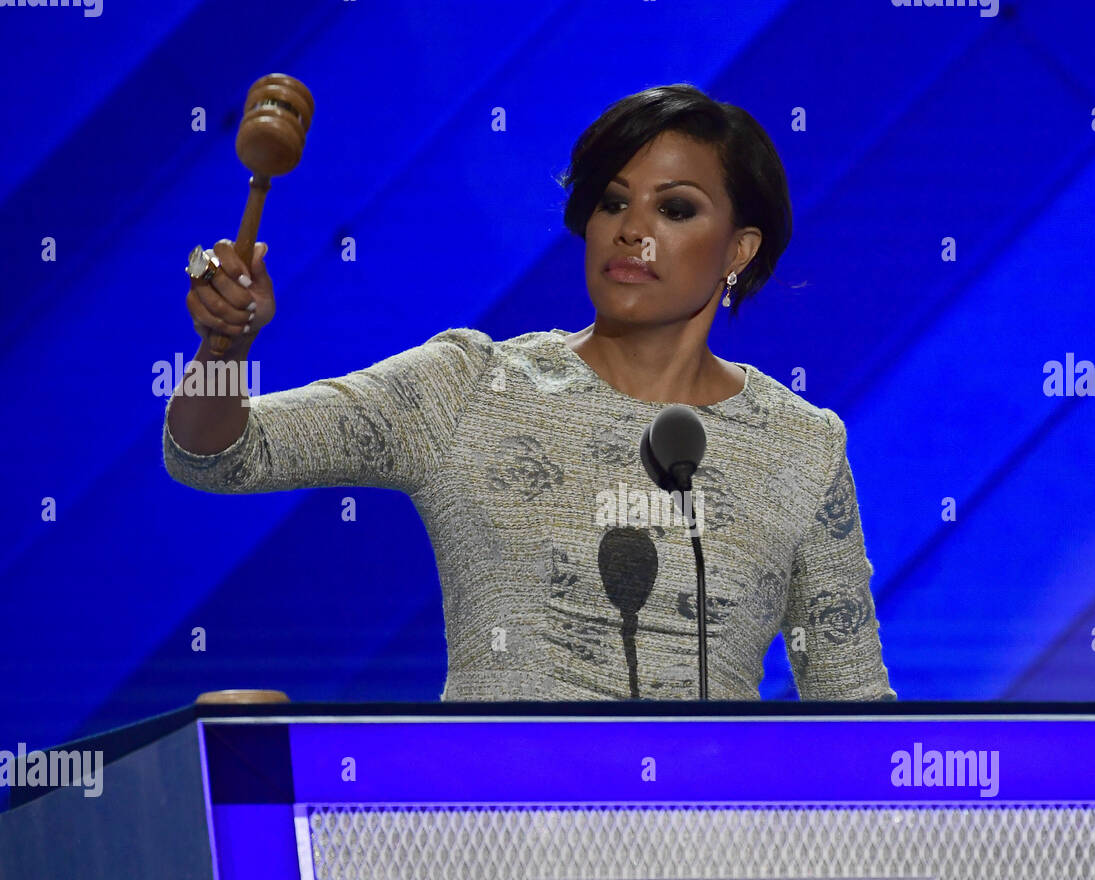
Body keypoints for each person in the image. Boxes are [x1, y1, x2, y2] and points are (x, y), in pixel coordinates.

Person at [165, 83, 895, 702]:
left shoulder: (802, 447)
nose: (633, 231)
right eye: (612, 203)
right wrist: (225, 349)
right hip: (492, 821)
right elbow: (218, 454)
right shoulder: (470, 387)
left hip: (705, 825)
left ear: (739, 249)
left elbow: (855, 708)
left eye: (675, 209)